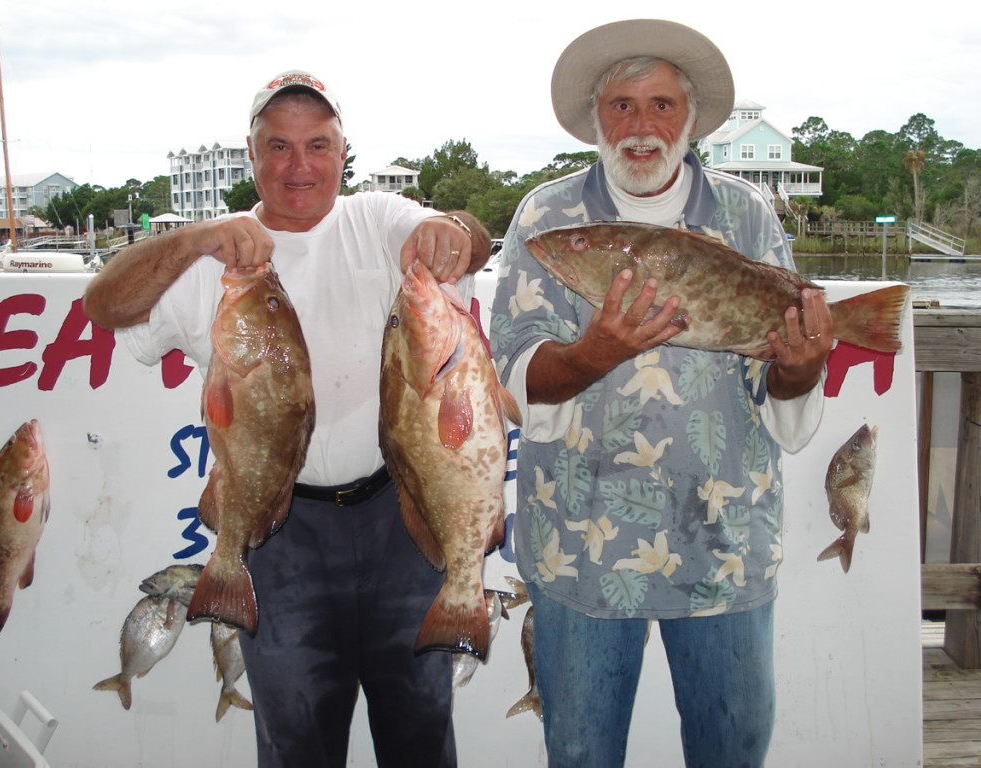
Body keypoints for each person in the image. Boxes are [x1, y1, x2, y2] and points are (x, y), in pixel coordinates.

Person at [82, 69, 491, 768]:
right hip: (280, 531)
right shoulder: (215, 256)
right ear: (250, 155)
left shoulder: (377, 219)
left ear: (342, 152)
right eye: (278, 147)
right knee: (295, 739)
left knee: (422, 733)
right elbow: (103, 308)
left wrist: (455, 230)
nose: (299, 166)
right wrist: (194, 239)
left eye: (318, 145)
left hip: (401, 514)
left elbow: (469, 240)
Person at [489, 20, 832, 768]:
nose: (641, 127)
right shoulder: (547, 221)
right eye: (621, 106)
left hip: (725, 540)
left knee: (733, 746)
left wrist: (803, 365)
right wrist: (593, 355)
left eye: (661, 105)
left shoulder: (746, 215)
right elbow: (514, 375)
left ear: (691, 118)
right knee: (579, 751)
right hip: (581, 543)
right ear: (595, 120)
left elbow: (779, 377)